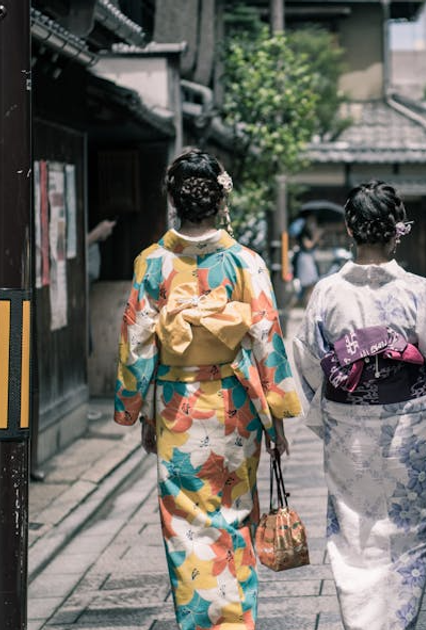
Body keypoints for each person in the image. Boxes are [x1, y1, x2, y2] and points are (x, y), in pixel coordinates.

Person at [114, 148, 301, 630]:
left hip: (178, 408)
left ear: (173, 201)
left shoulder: (152, 264)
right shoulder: (246, 263)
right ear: (221, 201)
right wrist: (276, 417)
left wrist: (137, 410)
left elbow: (137, 348)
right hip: (237, 406)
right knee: (236, 517)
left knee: (188, 529)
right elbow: (267, 341)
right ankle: (237, 622)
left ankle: (205, 624)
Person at [292, 181, 426, 629]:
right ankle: (397, 621)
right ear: (396, 230)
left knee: (354, 536)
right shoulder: (418, 291)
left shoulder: (327, 293)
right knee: (409, 535)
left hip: (348, 425)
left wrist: (328, 413)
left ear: (351, 229)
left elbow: (310, 362)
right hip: (408, 425)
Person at [291, 225, 320, 306]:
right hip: (305, 261)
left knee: (309, 288)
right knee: (308, 287)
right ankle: (305, 307)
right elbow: (308, 245)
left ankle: (306, 307)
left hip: (307, 260)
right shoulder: (304, 236)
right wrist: (316, 237)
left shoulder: (306, 235)